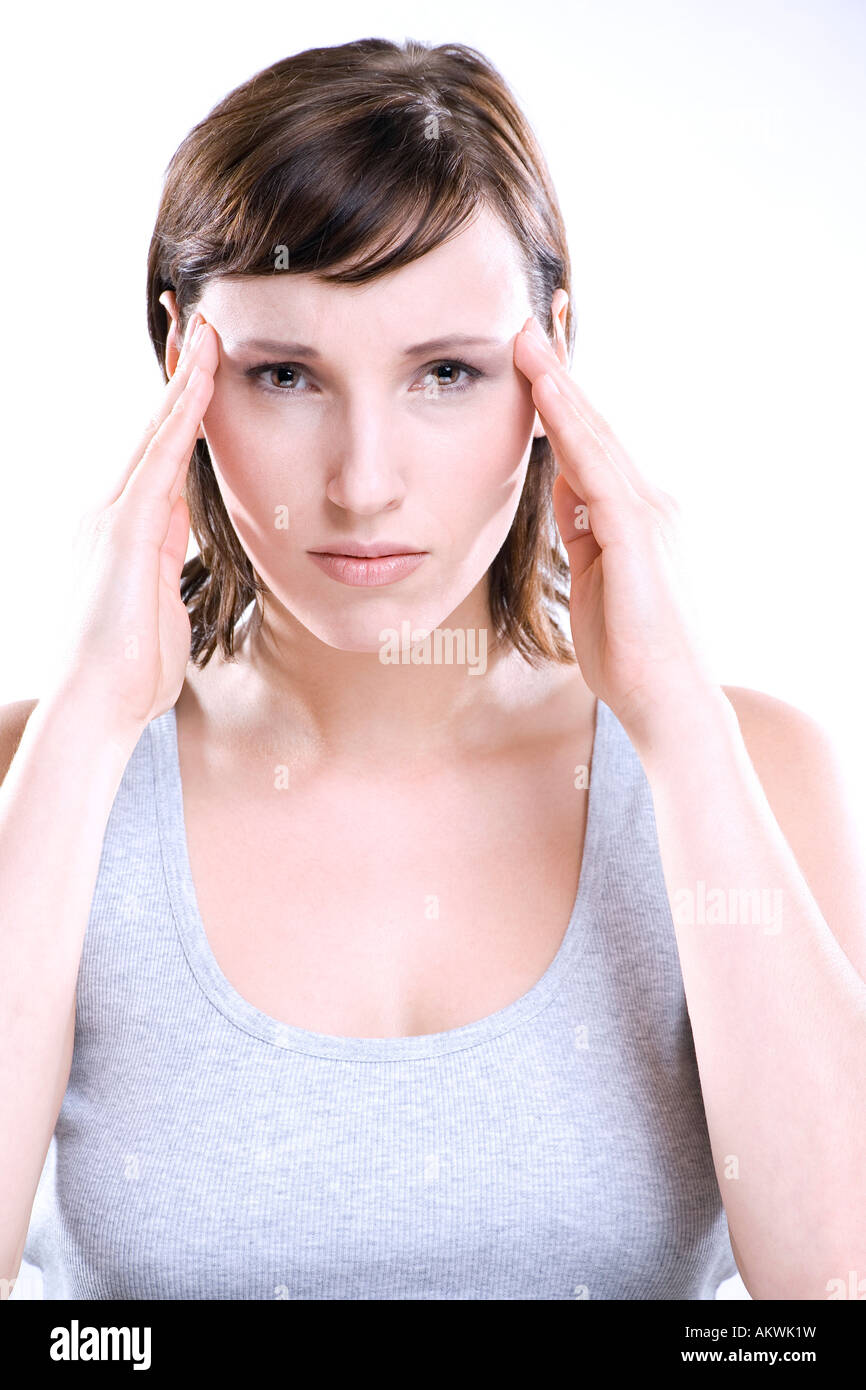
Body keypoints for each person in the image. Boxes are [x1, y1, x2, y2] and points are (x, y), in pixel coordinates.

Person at [3, 38, 865, 1303]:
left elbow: (833, 1291)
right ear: (179, 359)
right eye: (284, 374)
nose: (362, 483)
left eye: (446, 373)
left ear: (549, 359)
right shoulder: (43, 775)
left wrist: (677, 721)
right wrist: (82, 726)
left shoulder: (747, 770)